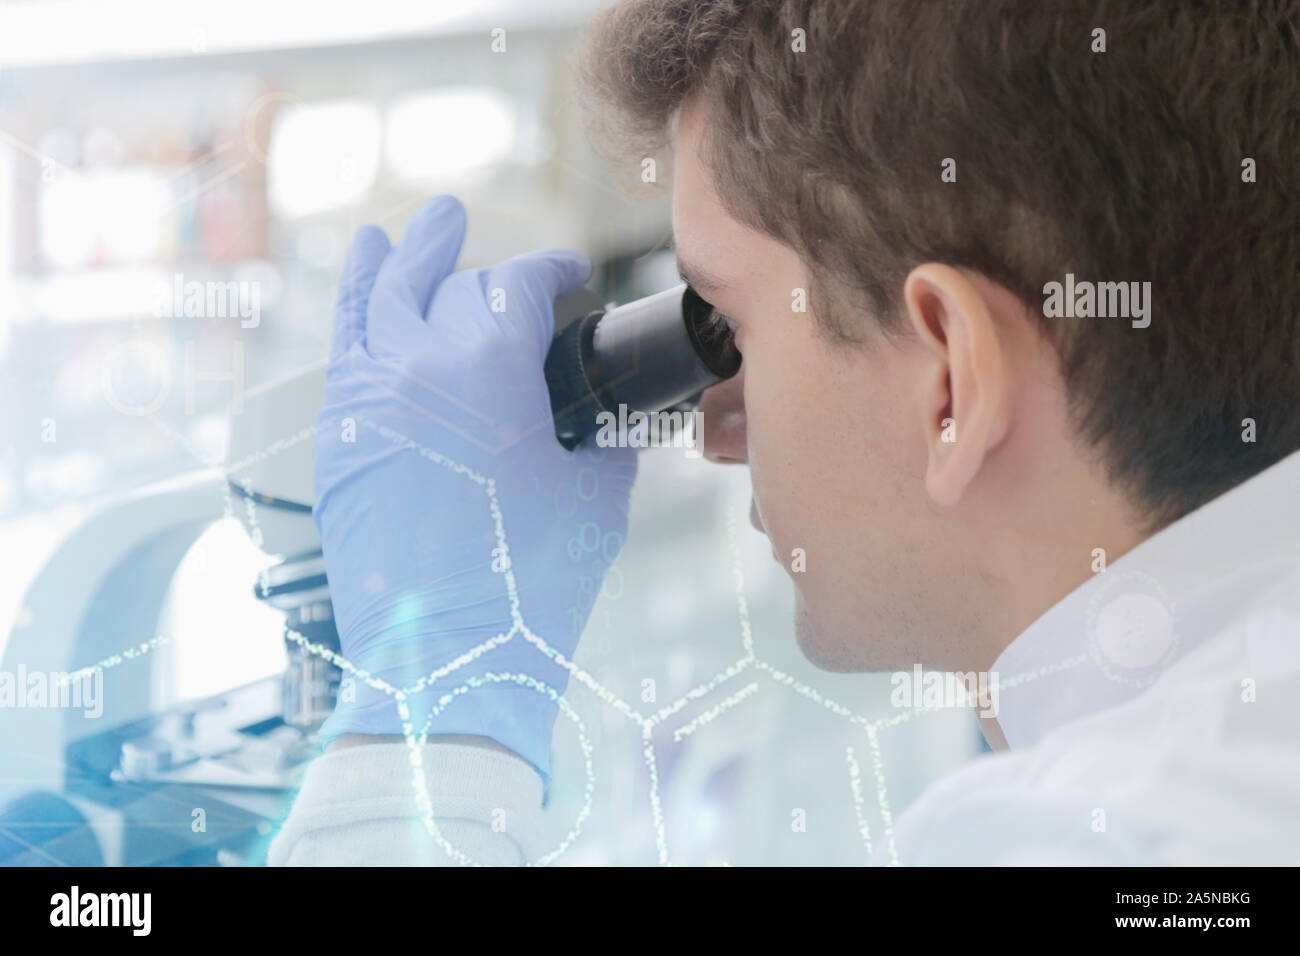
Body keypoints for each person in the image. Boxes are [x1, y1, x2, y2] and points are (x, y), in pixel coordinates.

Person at [268, 0, 1300, 865]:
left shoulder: (1079, 840)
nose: (715, 428)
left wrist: (427, 723)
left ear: (950, 383)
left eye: (730, 324)